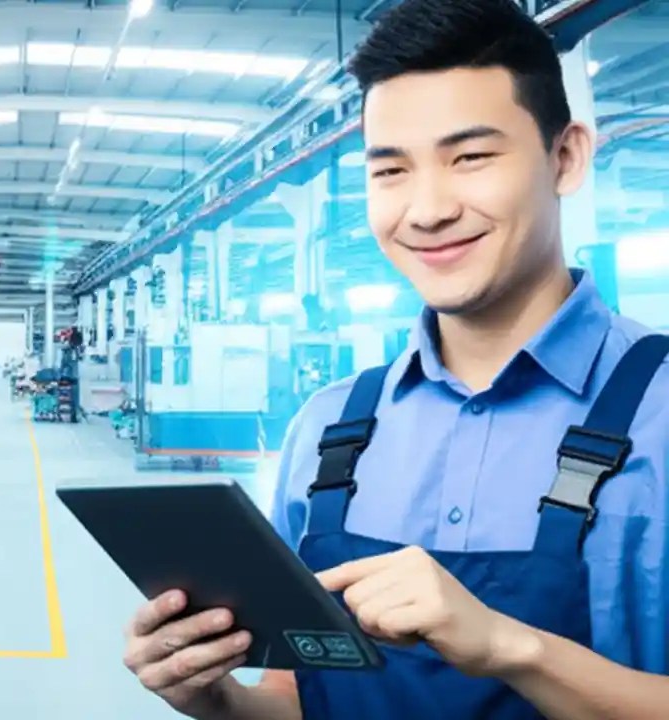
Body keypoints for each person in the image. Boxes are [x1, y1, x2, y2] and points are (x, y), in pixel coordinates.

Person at [120, 1, 669, 718]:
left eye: (470, 158)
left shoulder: (658, 416)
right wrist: (215, 697)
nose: (427, 209)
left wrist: (511, 648)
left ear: (565, 157)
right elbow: (295, 692)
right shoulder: (328, 431)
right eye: (390, 170)